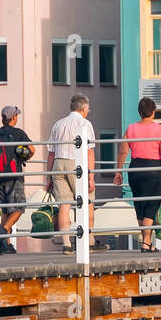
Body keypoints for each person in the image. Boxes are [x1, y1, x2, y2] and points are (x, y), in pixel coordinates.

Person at [114, 97, 161, 252]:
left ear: (140, 112)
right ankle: (146, 241)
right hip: (152, 168)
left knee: (139, 205)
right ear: (153, 112)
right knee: (151, 205)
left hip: (135, 169)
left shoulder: (130, 129)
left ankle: (146, 242)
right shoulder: (160, 129)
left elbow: (123, 151)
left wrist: (118, 172)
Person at [45, 94, 96, 252]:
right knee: (87, 202)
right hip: (77, 164)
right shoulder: (85, 123)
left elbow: (51, 153)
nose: (88, 111)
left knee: (64, 206)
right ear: (83, 108)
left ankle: (66, 244)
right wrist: (91, 177)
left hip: (59, 164)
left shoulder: (58, 124)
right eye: (88, 109)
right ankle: (89, 241)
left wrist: (49, 177)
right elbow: (89, 152)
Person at [0, 105, 35, 254]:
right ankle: (3, 232)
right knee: (18, 208)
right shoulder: (19, 134)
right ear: (14, 118)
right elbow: (32, 150)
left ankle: (4, 246)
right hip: (14, 175)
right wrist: (25, 157)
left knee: (5, 210)